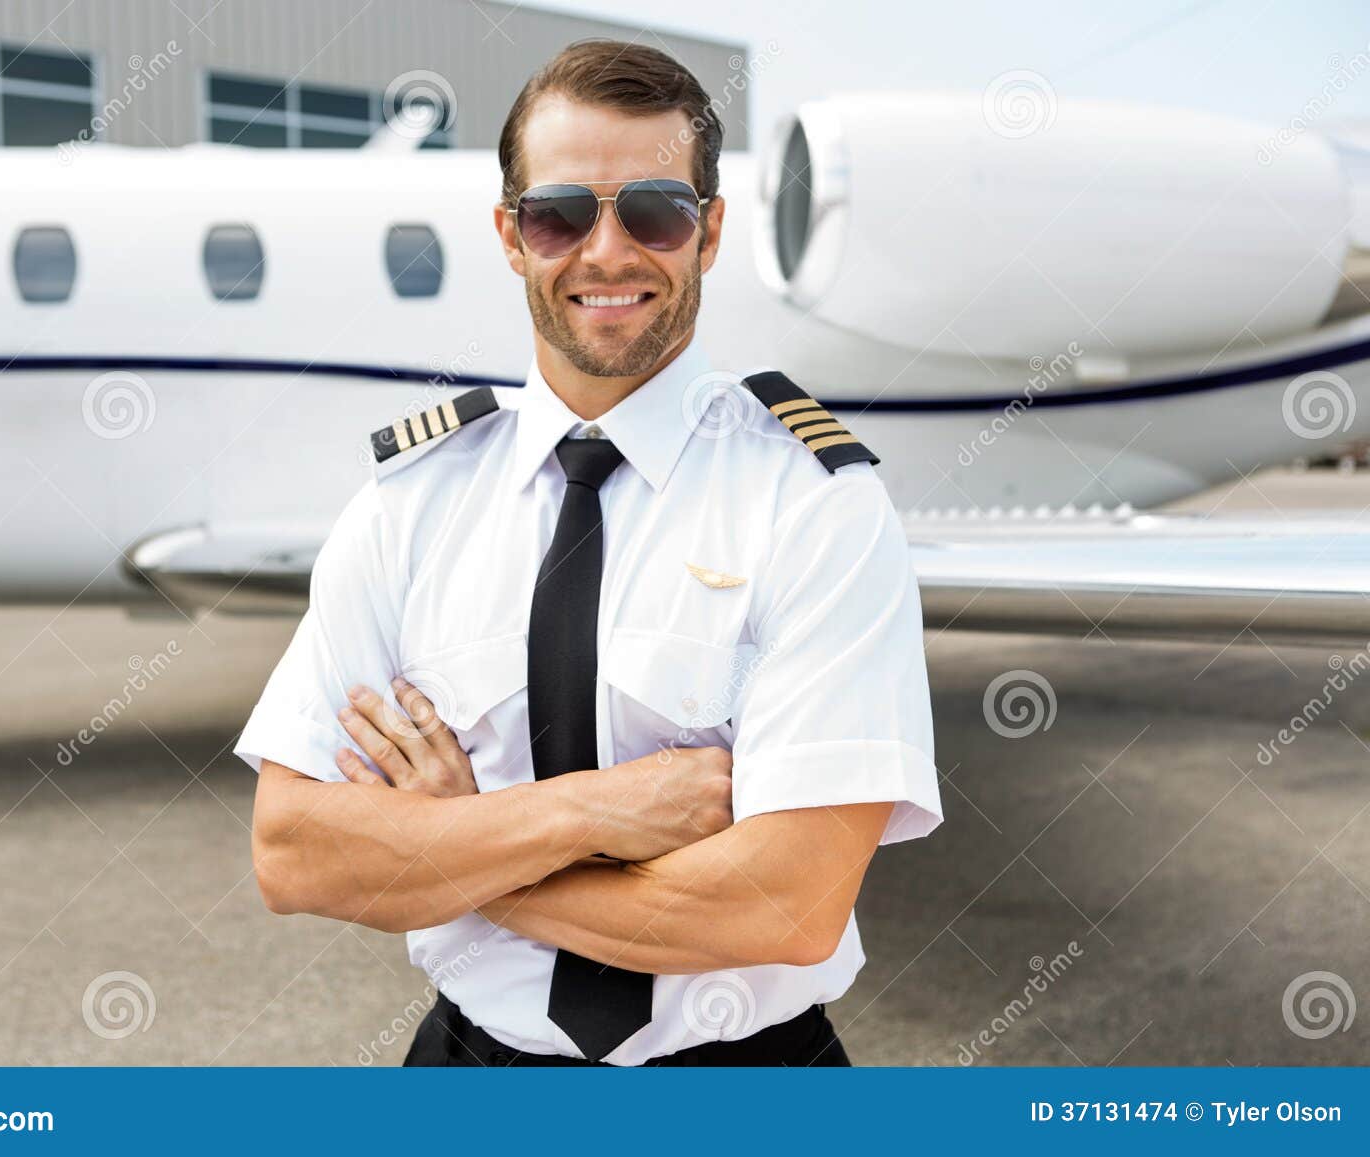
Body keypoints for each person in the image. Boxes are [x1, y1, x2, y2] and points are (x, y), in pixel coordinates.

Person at [238, 38, 941, 1067]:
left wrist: (460, 845)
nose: (606, 253)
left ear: (707, 233)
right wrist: (596, 809)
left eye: (652, 210)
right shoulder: (408, 505)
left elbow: (785, 903)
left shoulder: (814, 502)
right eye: (560, 213)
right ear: (511, 237)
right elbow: (295, 852)